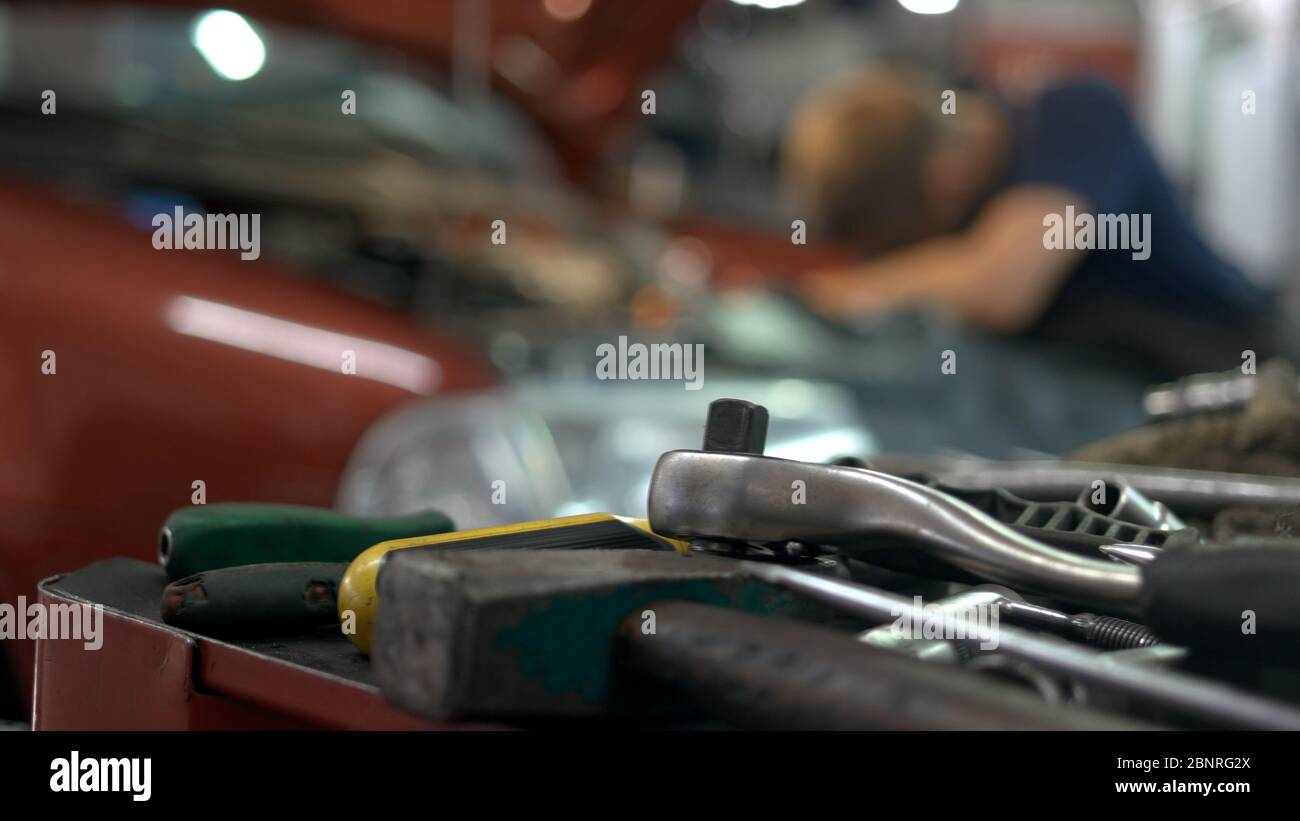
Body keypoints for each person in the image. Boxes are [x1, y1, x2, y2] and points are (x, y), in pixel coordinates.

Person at [783, 70, 1288, 377]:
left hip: (1246, 365)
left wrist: (837, 290)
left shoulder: (1077, 119)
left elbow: (1000, 288)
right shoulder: (932, 193)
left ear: (945, 180)